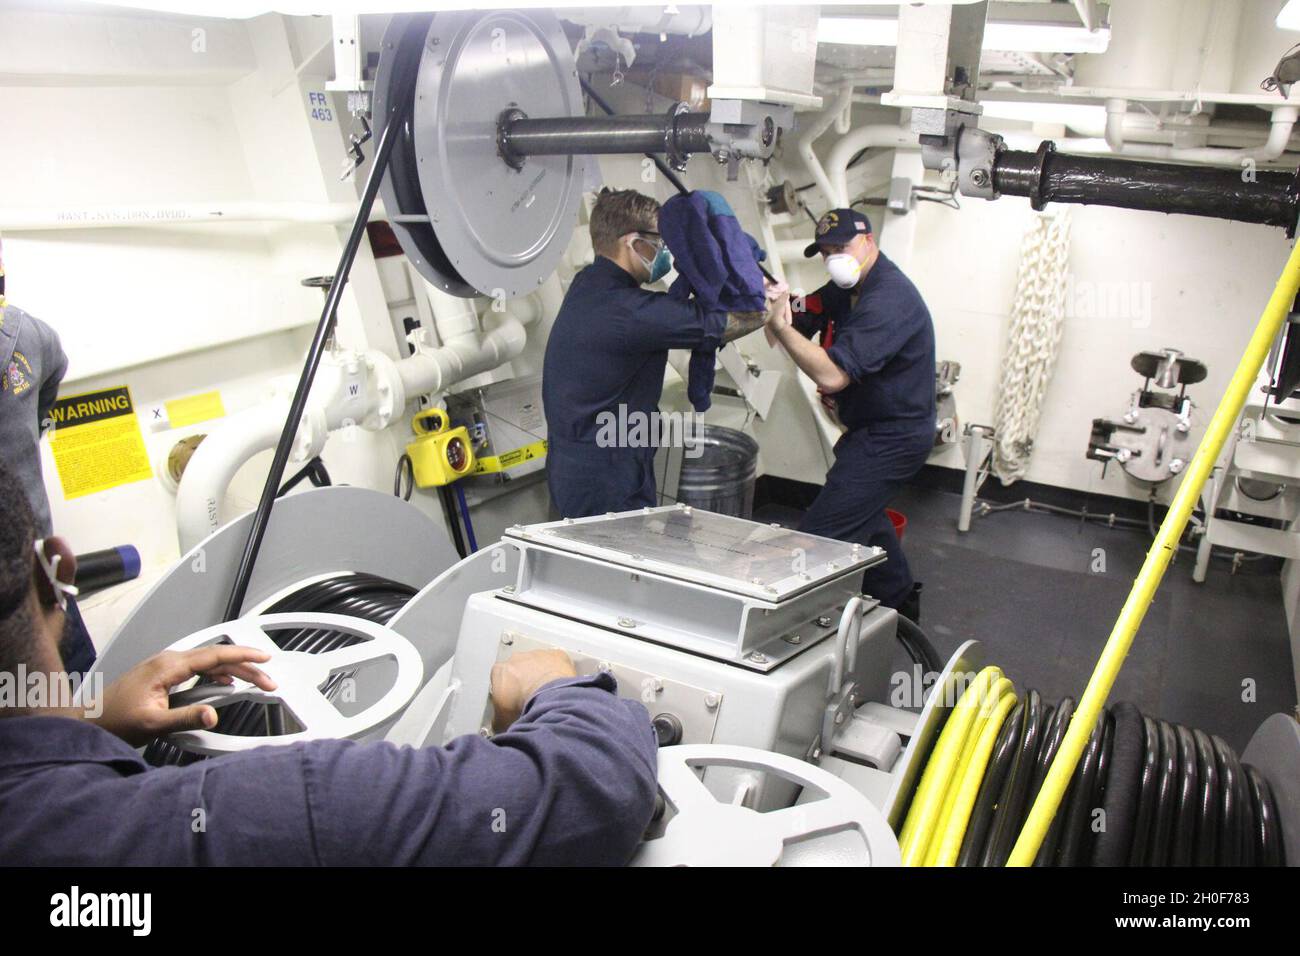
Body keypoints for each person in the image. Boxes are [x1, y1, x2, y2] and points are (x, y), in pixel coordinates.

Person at [0, 459, 658, 865]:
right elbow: (587, 788)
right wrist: (559, 691)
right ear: (55, 570)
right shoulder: (259, 817)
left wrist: (89, 723)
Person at [543, 188, 783, 517]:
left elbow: (661, 317)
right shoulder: (626, 311)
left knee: (597, 561)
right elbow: (726, 321)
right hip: (606, 478)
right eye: (660, 241)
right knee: (617, 563)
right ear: (633, 243)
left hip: (580, 465)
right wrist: (764, 298)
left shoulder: (589, 286)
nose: (666, 251)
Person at [769, 209, 935, 622]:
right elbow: (808, 309)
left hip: (893, 439)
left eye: (841, 247)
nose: (833, 259)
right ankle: (900, 605)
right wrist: (777, 302)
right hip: (865, 430)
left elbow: (833, 374)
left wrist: (782, 329)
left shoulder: (889, 298)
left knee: (822, 536)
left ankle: (797, 631)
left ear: (868, 241)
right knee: (867, 518)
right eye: (825, 252)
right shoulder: (848, 288)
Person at [0, 232, 96, 673]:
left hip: (31, 578)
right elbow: (47, 392)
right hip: (39, 573)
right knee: (78, 702)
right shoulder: (28, 334)